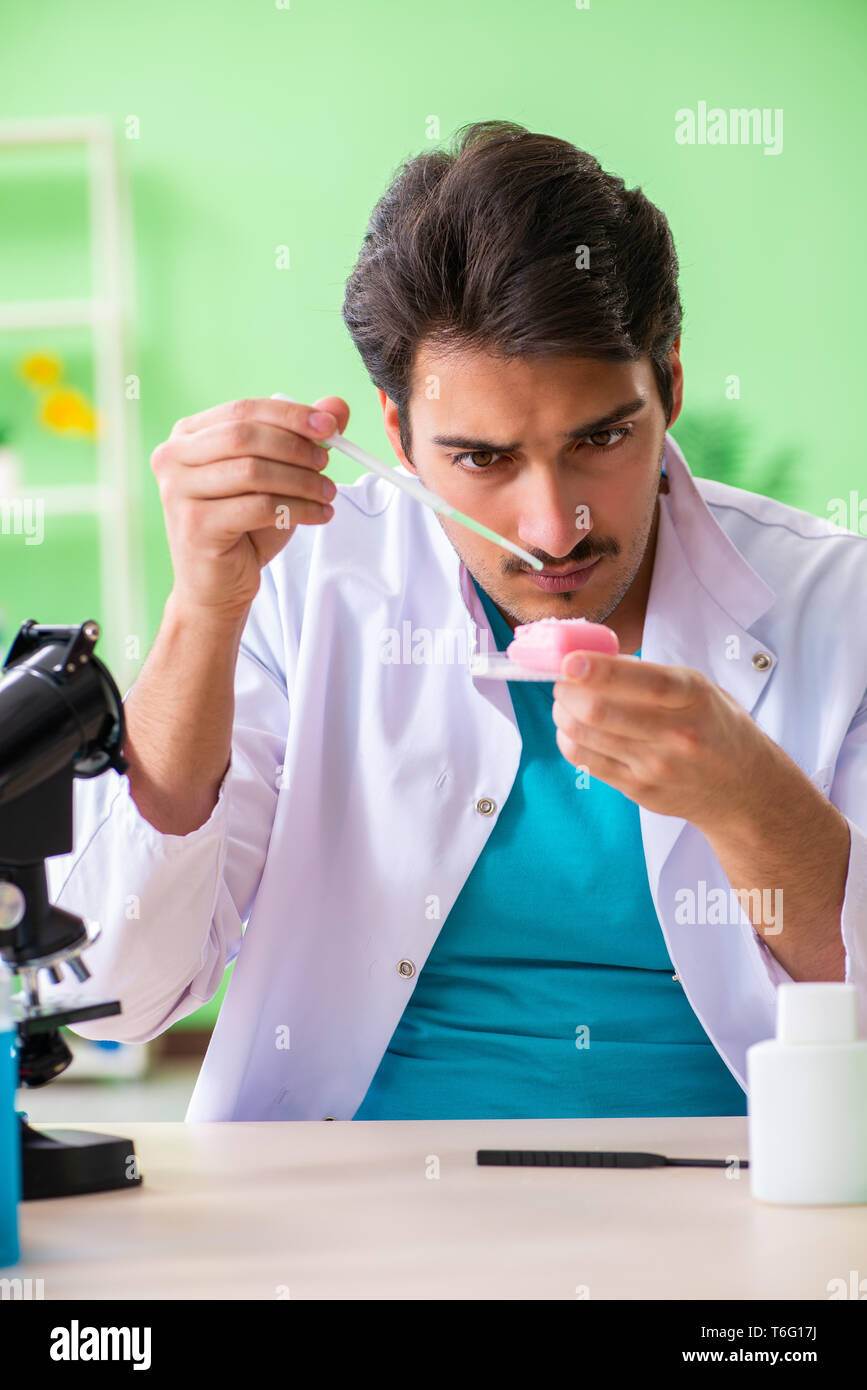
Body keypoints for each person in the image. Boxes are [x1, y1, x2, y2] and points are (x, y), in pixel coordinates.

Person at [44, 120, 866, 1121]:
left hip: (736, 1199)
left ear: (672, 387)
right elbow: (116, 995)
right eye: (482, 459)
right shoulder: (303, 585)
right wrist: (202, 613)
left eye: (600, 438)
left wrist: (749, 797)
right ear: (396, 435)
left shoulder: (837, 602)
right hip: (358, 1215)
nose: (551, 526)